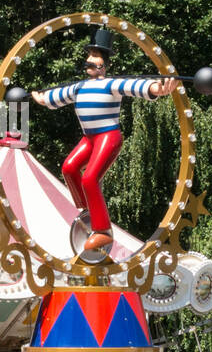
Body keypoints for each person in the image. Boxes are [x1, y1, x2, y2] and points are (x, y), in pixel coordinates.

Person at [30, 28, 179, 254]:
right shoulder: (79, 87)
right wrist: (40, 97)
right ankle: (87, 210)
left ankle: (102, 230)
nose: (90, 61)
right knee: (69, 168)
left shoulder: (113, 84)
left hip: (108, 137)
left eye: (95, 58)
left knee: (90, 178)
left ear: (104, 64)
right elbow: (56, 96)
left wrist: (157, 88)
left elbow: (138, 87)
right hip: (89, 138)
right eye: (88, 58)